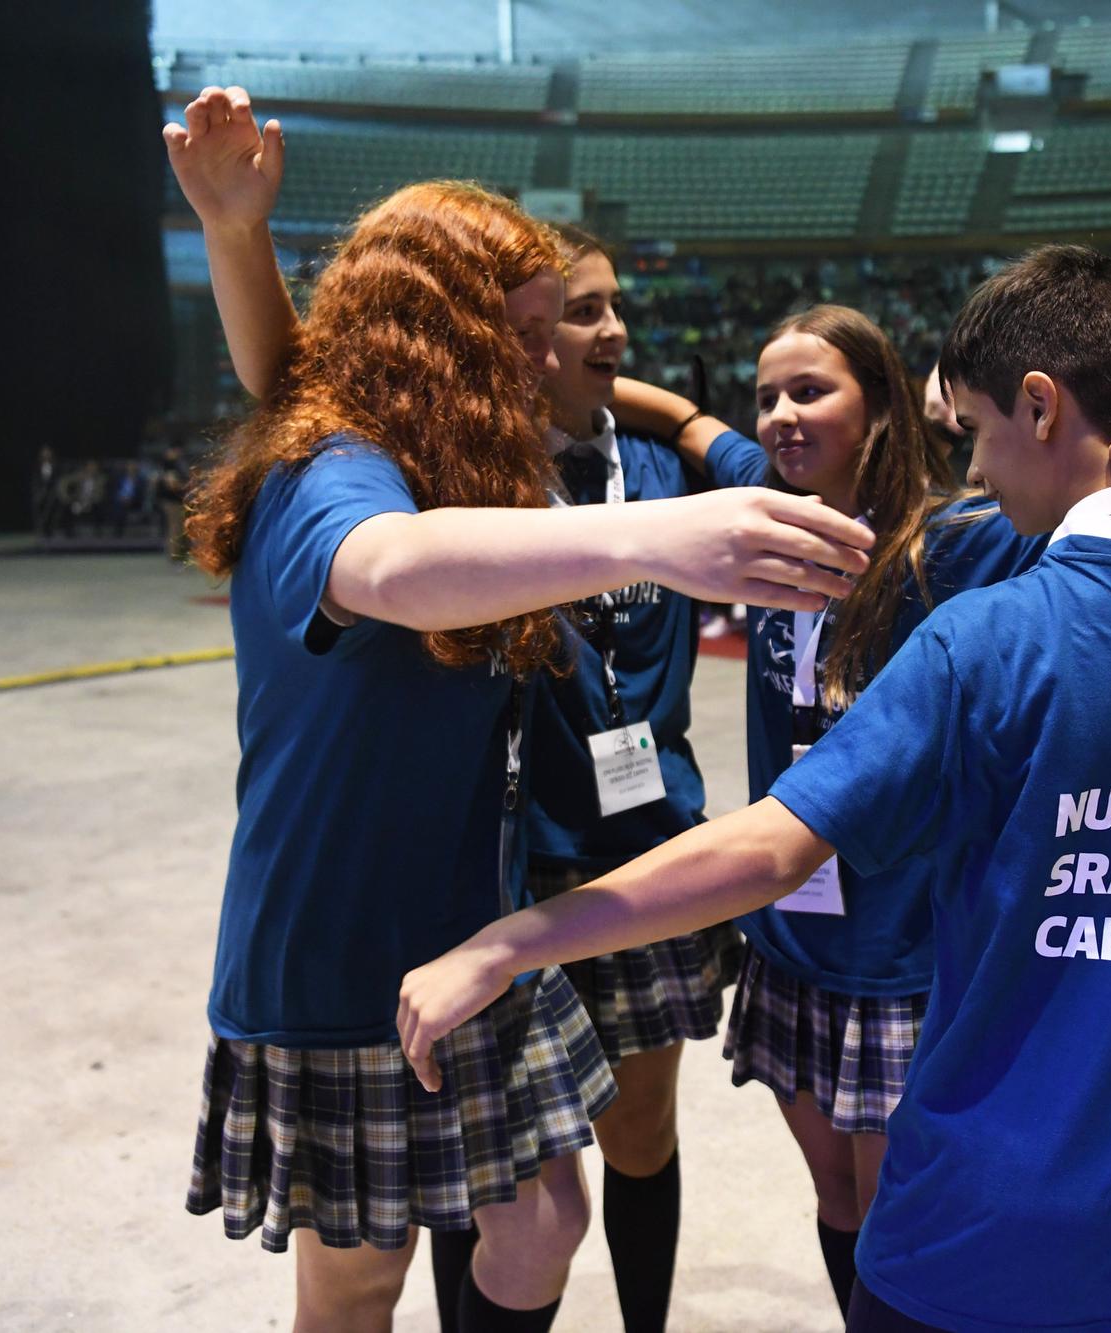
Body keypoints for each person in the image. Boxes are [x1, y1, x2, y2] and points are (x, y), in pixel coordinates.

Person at [394, 244, 1111, 1332]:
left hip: (966, 1250)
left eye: (971, 427)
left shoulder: (986, 640)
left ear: (1038, 404)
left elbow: (762, 853)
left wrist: (510, 942)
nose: (967, 464)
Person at [164, 87, 873, 1333]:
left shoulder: (437, 451)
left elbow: (293, 366)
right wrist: (653, 538)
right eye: (531, 328)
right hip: (340, 951)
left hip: (470, 927)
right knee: (356, 1286)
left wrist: (239, 238)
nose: (552, 356)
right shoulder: (332, 468)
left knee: (543, 1214)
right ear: (440, 341)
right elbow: (383, 565)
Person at [611, 304, 1111, 1317]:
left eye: (809, 391)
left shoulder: (956, 540)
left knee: (895, 1215)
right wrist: (572, 372)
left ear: (879, 405)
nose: (779, 413)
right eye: (767, 393)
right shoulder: (759, 500)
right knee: (834, 1194)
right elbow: (688, 420)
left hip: (904, 954)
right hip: (791, 942)